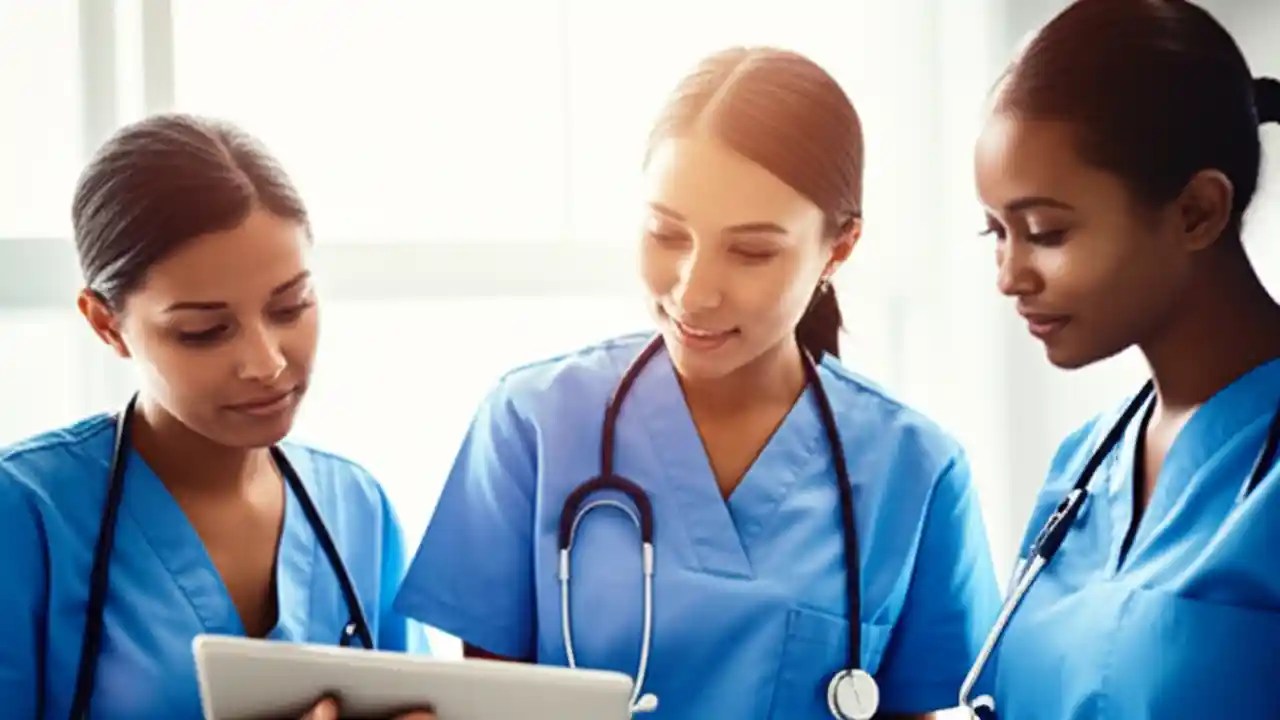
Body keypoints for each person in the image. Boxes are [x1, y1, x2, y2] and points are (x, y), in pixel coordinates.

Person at [393, 46, 1001, 719]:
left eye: (751, 251)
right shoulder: (532, 423)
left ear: (840, 247)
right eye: (666, 233)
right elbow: (485, 706)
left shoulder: (915, 471)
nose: (694, 291)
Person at [0, 113, 432, 719]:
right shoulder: (25, 514)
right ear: (106, 324)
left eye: (291, 307)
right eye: (204, 331)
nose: (266, 363)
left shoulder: (357, 508)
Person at [968, 0, 1280, 717]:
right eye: (995, 232)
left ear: (1197, 210)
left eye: (1044, 231)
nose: (1009, 276)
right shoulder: (1083, 464)